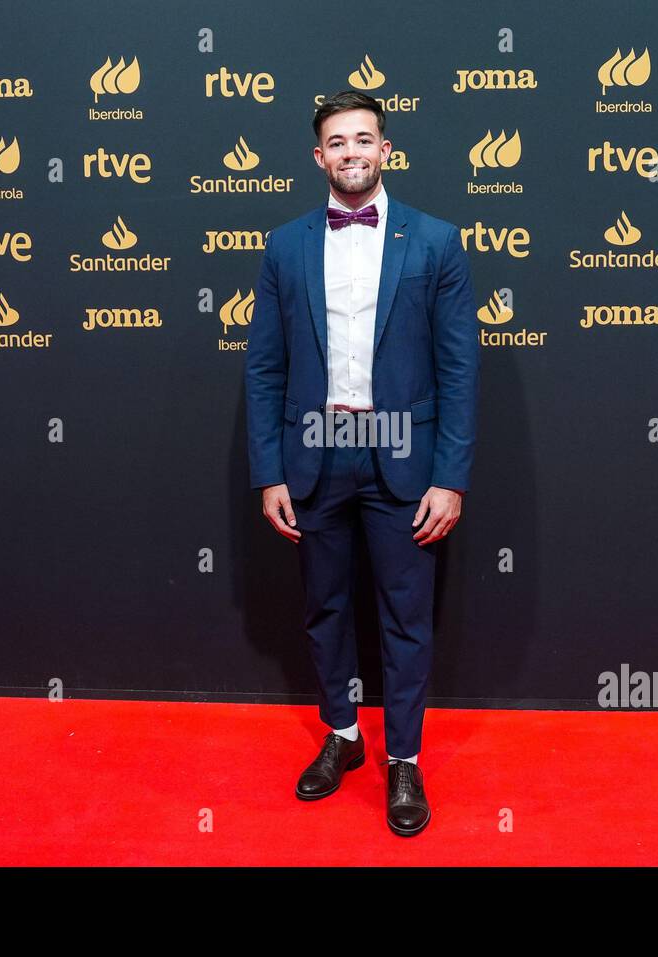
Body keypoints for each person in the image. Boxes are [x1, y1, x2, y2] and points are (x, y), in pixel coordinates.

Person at [244, 90, 480, 836]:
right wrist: (269, 471)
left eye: (364, 139)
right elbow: (264, 369)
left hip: (404, 453)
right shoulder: (284, 245)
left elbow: (458, 369)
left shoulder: (436, 242)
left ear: (385, 149)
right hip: (313, 449)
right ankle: (344, 735)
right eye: (337, 142)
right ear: (319, 156)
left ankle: (402, 757)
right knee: (324, 607)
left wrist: (450, 476)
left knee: (406, 616)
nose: (351, 152)